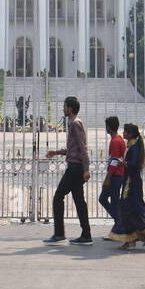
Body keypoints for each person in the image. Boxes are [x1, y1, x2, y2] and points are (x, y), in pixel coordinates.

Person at [44, 96, 92, 244]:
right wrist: (57, 152)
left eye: (64, 106)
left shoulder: (75, 124)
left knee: (58, 196)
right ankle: (86, 235)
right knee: (79, 201)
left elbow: (83, 148)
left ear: (70, 108)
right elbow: (74, 149)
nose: (63, 109)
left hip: (75, 168)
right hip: (76, 166)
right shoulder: (75, 123)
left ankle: (59, 233)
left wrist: (86, 168)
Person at [97, 116, 126, 234]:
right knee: (113, 200)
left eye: (106, 126)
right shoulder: (119, 139)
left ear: (109, 127)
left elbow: (114, 161)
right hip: (118, 175)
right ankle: (119, 223)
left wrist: (107, 178)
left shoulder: (115, 141)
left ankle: (119, 223)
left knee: (105, 199)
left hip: (115, 175)